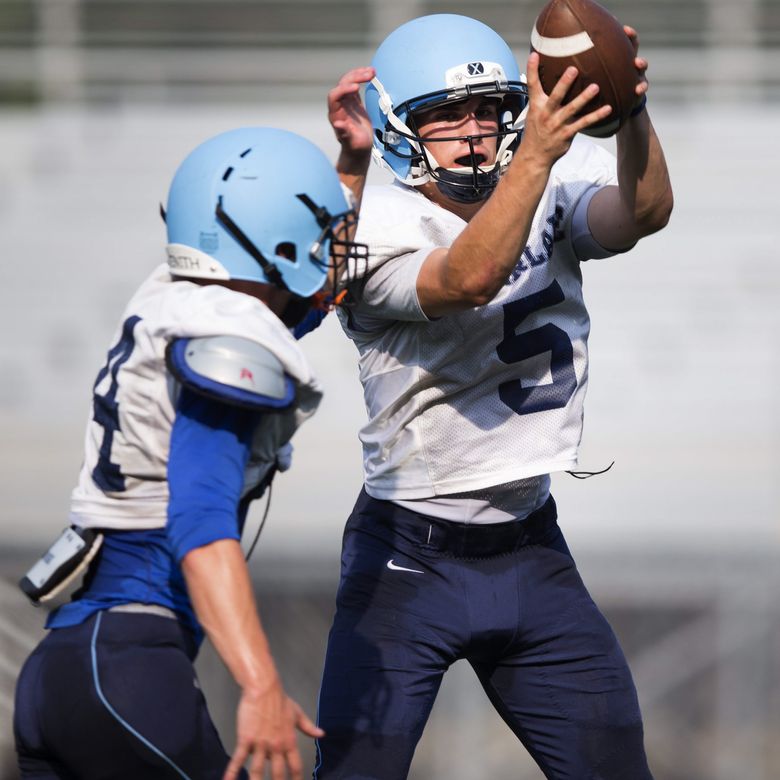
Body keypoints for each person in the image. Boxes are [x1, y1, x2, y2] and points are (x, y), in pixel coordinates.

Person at [314, 13, 673, 780]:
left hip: (532, 545)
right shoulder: (364, 230)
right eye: (446, 116)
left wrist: (630, 112)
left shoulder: (544, 191)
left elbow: (641, 213)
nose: (476, 132)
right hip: (409, 561)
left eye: (488, 111)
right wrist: (537, 158)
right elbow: (467, 277)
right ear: (398, 129)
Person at [13, 112, 372, 780]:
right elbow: (201, 528)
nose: (336, 248)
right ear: (280, 241)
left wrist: (349, 168)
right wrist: (261, 683)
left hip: (62, 668)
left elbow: (287, 291)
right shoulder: (230, 343)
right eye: (323, 233)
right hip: (129, 669)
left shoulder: (176, 297)